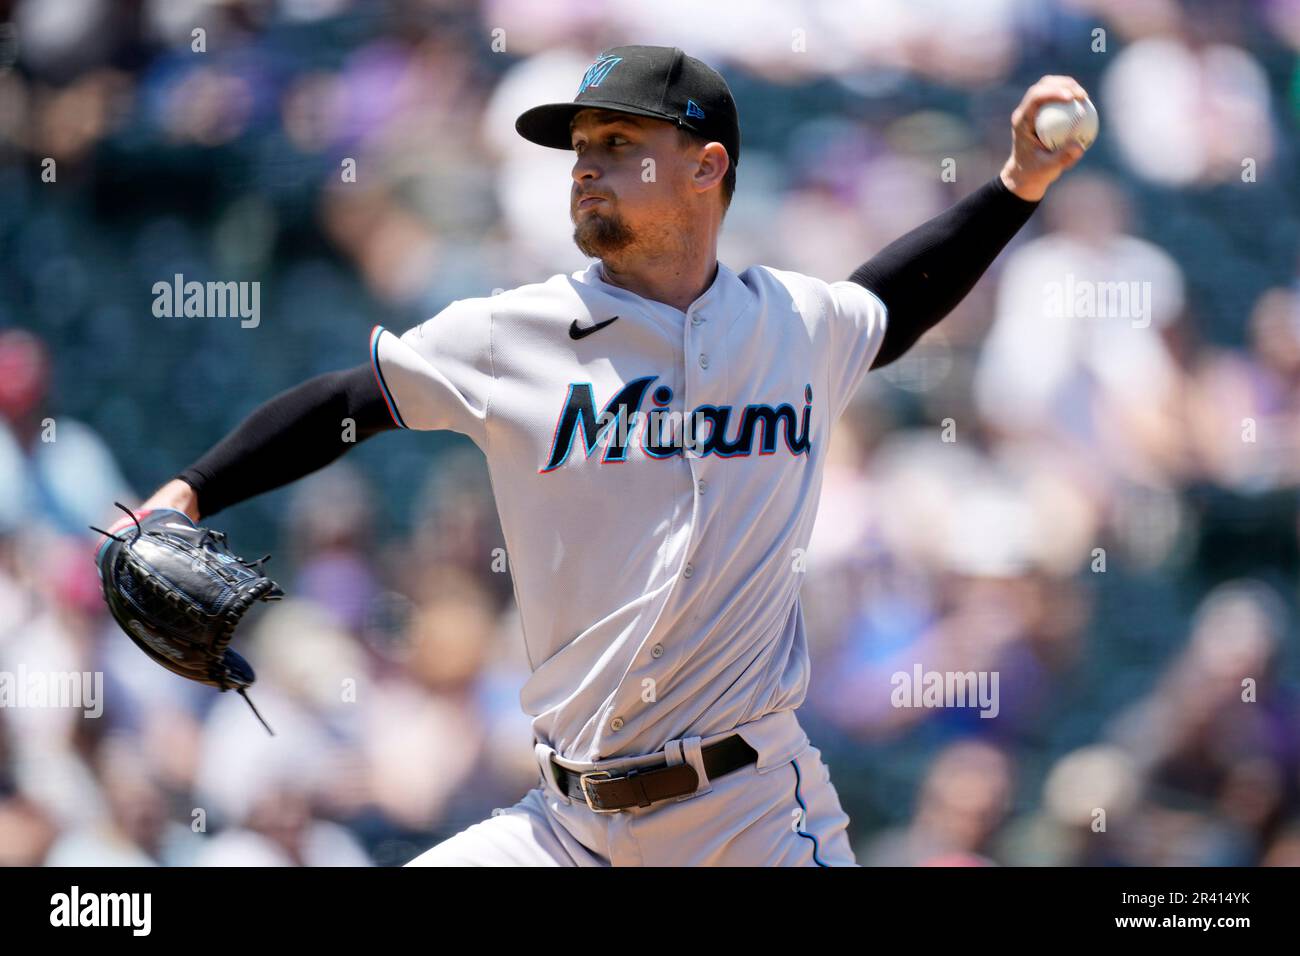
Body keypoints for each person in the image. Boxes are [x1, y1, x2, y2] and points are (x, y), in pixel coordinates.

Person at [125, 46, 1088, 866]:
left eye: (620, 147)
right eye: (581, 150)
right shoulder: (515, 332)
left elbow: (899, 296)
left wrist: (1018, 187)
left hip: (749, 817)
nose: (586, 167)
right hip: (564, 824)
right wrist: (189, 490)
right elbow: (348, 402)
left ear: (708, 168)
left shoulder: (797, 323)